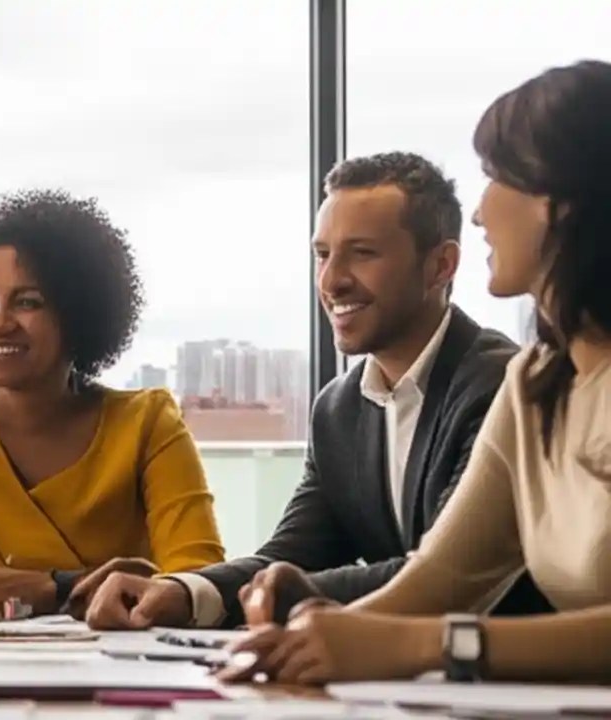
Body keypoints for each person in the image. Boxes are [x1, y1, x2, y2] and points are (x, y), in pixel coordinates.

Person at [220, 60, 611, 685]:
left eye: (496, 178)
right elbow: (443, 577)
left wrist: (431, 645)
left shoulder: (496, 375)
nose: (479, 213)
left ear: (563, 202)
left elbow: (429, 629)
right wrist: (311, 644)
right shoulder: (537, 382)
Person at [85, 152, 548, 631]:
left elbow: (446, 576)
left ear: (440, 266)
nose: (331, 280)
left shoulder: (498, 383)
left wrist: (276, 596)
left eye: (362, 253)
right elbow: (294, 555)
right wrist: (184, 591)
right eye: (323, 254)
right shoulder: (337, 408)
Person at [0, 189, 225, 622]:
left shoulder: (148, 424)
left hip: (111, 676)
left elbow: (197, 579)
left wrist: (53, 587)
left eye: (27, 302)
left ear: (78, 316)